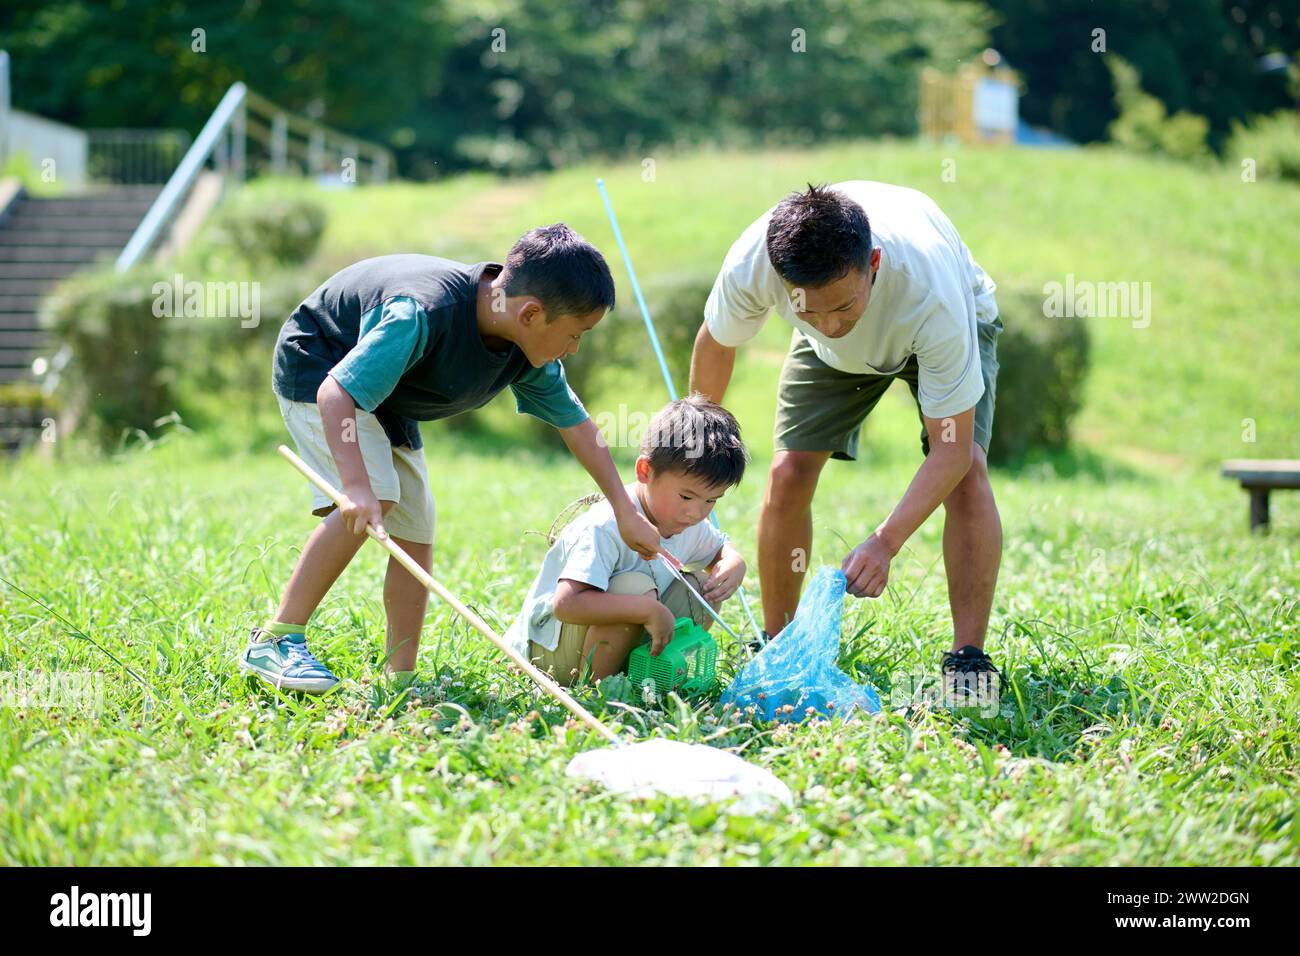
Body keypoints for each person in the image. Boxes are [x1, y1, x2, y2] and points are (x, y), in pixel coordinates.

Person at [239, 224, 660, 694]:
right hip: (322, 367)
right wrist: (355, 487)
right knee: (376, 497)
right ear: (532, 313)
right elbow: (336, 393)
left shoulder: (525, 349)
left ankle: (399, 676)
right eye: (575, 334)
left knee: (416, 531)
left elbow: (578, 427)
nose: (574, 348)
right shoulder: (422, 313)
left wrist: (625, 509)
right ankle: (276, 639)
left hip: (387, 393)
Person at [689, 181, 1006, 690]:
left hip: (938, 332)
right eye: (809, 311)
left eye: (843, 306)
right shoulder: (757, 260)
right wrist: (697, 434)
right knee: (788, 472)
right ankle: (778, 644)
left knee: (968, 474)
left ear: (873, 263)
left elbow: (951, 450)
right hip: (828, 363)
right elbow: (718, 340)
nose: (831, 323)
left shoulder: (931, 296)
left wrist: (885, 543)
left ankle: (968, 660)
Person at [506, 395, 749, 686]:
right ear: (645, 471)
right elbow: (566, 604)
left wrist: (734, 563)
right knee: (635, 588)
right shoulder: (606, 525)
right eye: (686, 496)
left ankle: (658, 678)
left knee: (699, 587)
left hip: (607, 638)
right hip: (549, 656)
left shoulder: (687, 522)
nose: (696, 512)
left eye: (712, 500)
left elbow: (720, 551)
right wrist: (647, 610)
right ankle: (603, 691)